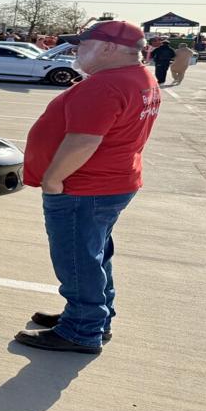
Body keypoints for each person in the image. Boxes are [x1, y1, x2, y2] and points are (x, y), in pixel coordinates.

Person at [17, 20, 160, 354]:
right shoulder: (140, 77)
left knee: (77, 259)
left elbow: (83, 141)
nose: (76, 50)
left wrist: (53, 179)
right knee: (94, 255)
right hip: (110, 183)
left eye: (83, 44)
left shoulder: (105, 85)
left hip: (84, 187)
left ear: (108, 48)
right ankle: (93, 317)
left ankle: (81, 330)